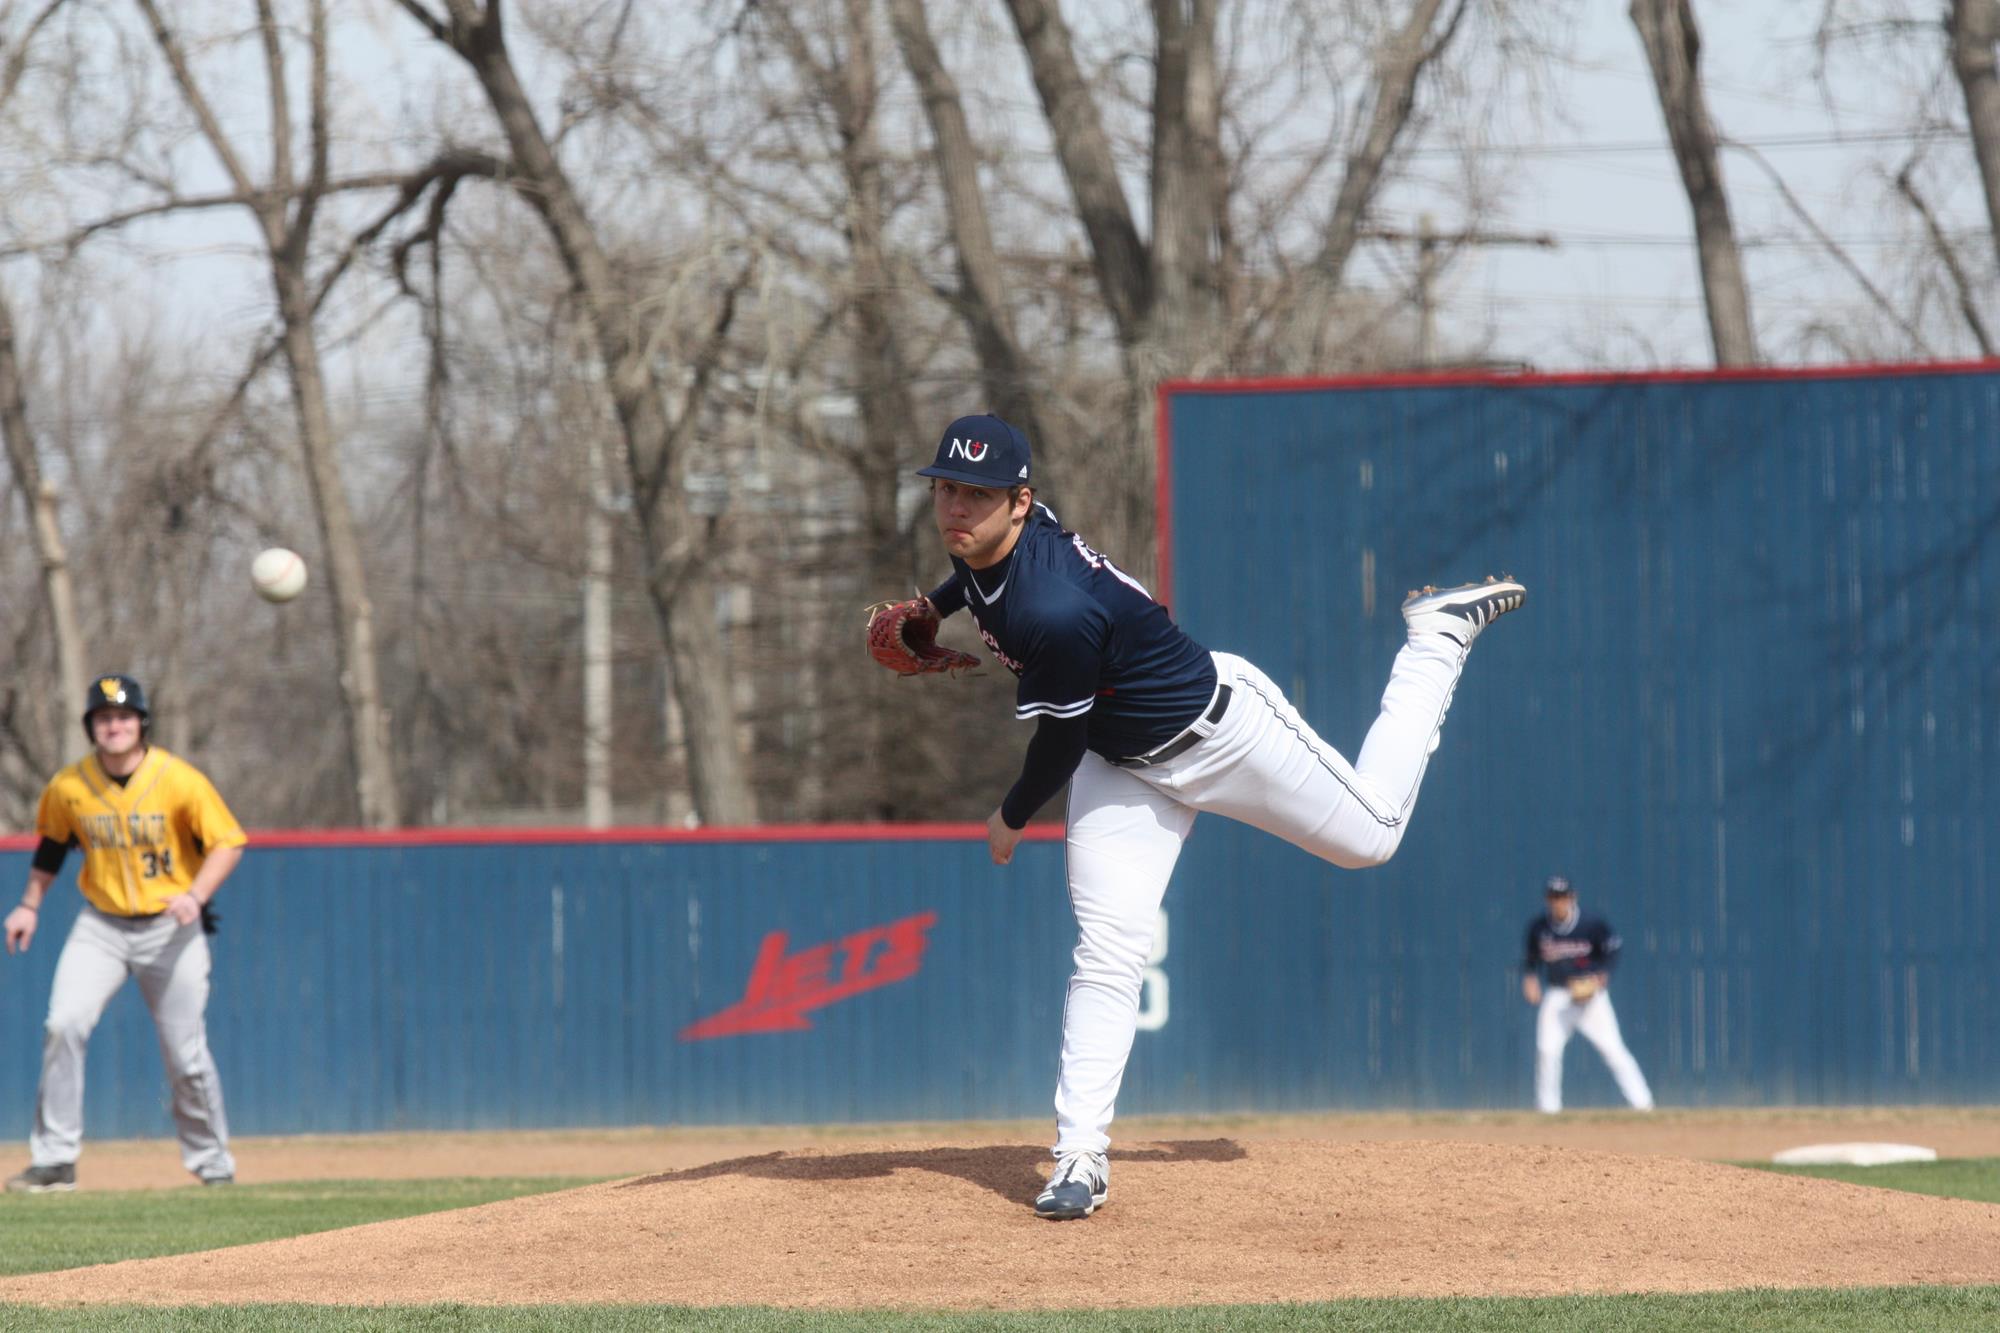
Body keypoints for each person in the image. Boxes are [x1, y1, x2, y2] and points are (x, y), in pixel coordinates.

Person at [892, 414, 1526, 1220]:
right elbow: (977, 581)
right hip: (1125, 767)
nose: (955, 508)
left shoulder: (1052, 605)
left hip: (1223, 732)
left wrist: (1010, 817)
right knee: (1108, 952)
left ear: (1021, 503)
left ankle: (1435, 639)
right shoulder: (983, 539)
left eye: (976, 494)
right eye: (947, 487)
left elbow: (1058, 741)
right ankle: (1079, 1156)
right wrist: (933, 608)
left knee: (1373, 838)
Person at [3, 674, 247, 1192]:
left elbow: (227, 842)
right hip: (102, 925)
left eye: (123, 716)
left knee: (185, 1051)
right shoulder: (69, 785)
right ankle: (55, 1160)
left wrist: (196, 895)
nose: (113, 725)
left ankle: (213, 1163)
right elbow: (52, 846)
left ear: (142, 723)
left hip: (171, 927)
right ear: (91, 726)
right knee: (64, 1023)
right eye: (103, 717)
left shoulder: (179, 779)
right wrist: (30, 905)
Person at [1521, 874, 1653, 1114]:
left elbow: (1612, 949)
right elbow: (1530, 960)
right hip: (1558, 994)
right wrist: (1530, 979)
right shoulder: (1539, 928)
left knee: (1613, 1050)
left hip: (1591, 997)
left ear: (1573, 897)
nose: (1558, 901)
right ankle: (1547, 1110)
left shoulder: (1591, 923)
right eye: (1553, 897)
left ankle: (1643, 1105)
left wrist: (1601, 976)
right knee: (1546, 1050)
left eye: (1562, 896)